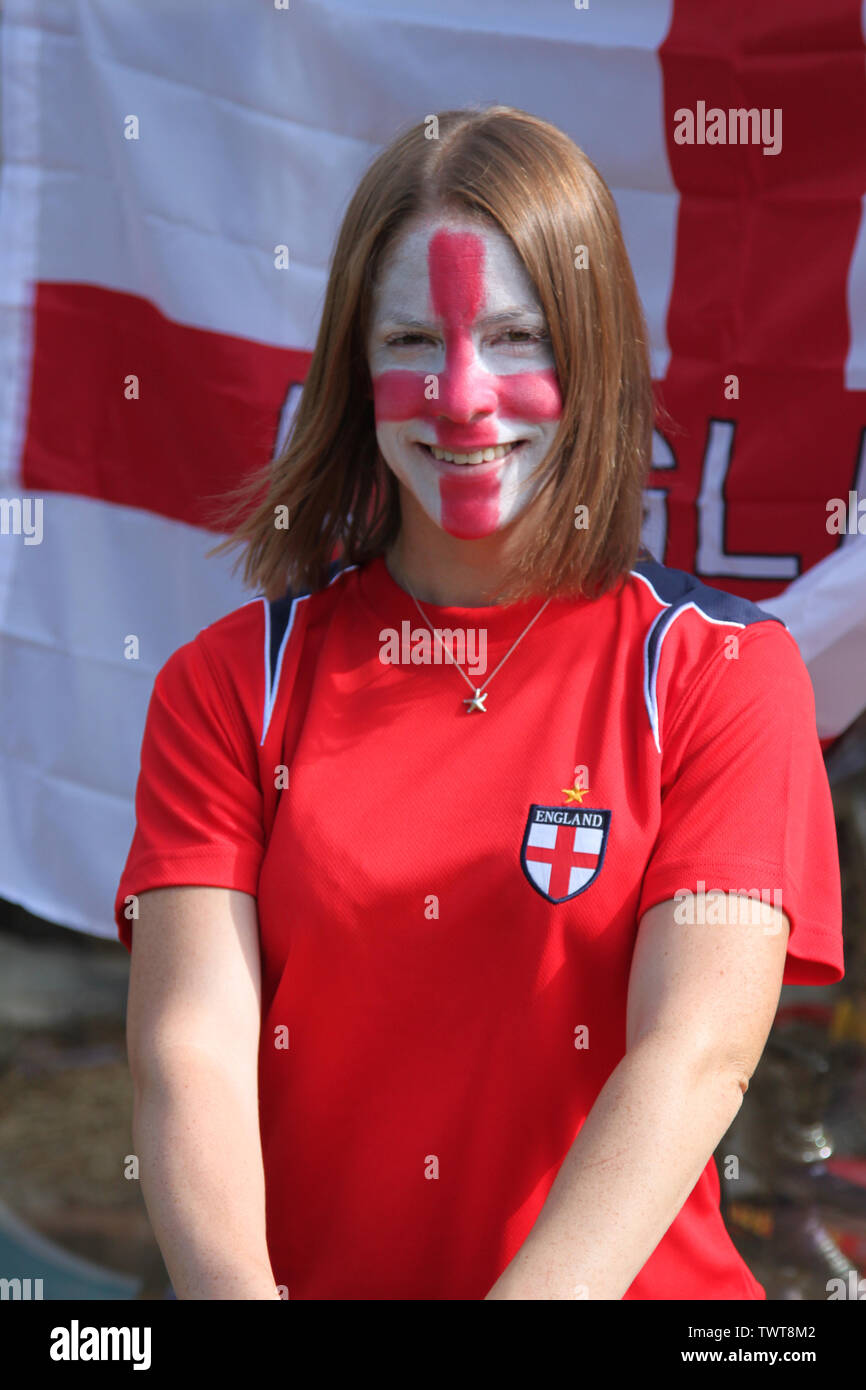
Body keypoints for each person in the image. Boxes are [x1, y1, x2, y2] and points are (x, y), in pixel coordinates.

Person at [114, 105, 844, 1300]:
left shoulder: (714, 672)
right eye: (411, 338)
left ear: (594, 353)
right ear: (353, 366)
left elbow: (691, 1057)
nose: (461, 397)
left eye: (515, 338)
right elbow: (188, 1053)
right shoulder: (228, 685)